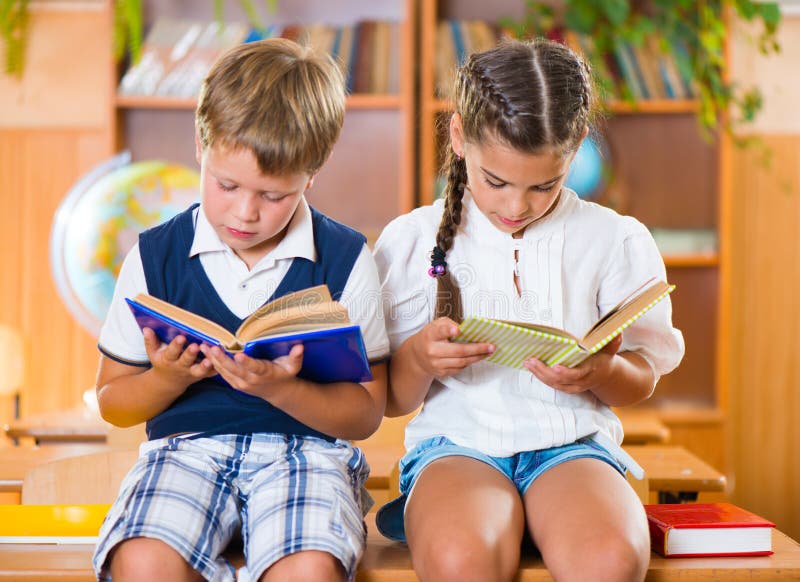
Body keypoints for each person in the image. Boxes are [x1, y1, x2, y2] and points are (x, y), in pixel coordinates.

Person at [373, 38, 684, 582]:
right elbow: (392, 400)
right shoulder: (412, 240)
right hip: (458, 445)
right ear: (458, 136)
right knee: (458, 559)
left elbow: (642, 378)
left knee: (611, 559)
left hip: (572, 446)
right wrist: (421, 359)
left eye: (545, 185)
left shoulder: (614, 239)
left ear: (578, 148)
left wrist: (605, 371)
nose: (517, 206)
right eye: (496, 182)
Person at [92, 38, 389, 582]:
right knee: (141, 560)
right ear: (201, 147)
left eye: (274, 195)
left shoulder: (346, 259)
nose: (245, 213)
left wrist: (282, 389)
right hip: (185, 452)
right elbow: (113, 402)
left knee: (309, 569)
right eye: (227, 185)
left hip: (305, 454)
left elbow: (368, 413)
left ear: (312, 172)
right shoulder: (155, 255)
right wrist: (165, 379)